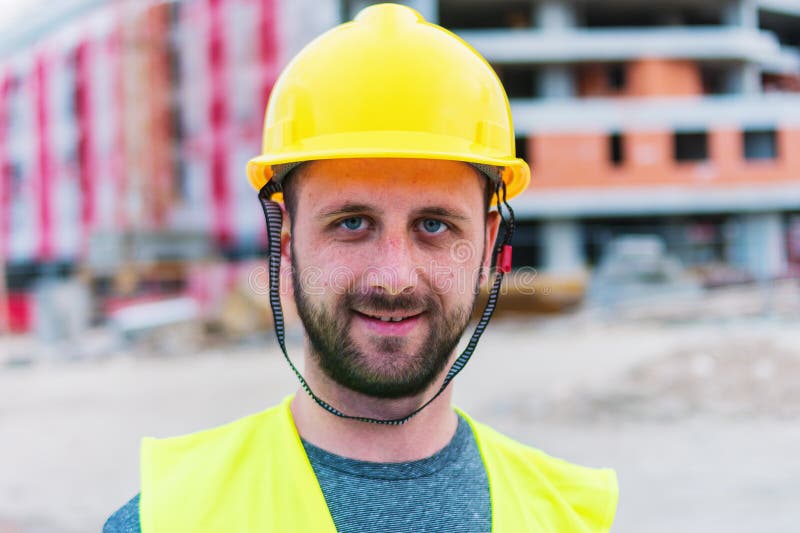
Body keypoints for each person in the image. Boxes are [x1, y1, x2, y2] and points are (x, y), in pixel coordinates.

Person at [105, 4, 617, 532]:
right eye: (351, 223)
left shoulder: (571, 517)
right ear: (287, 243)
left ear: (487, 246)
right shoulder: (169, 519)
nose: (393, 278)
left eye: (434, 225)